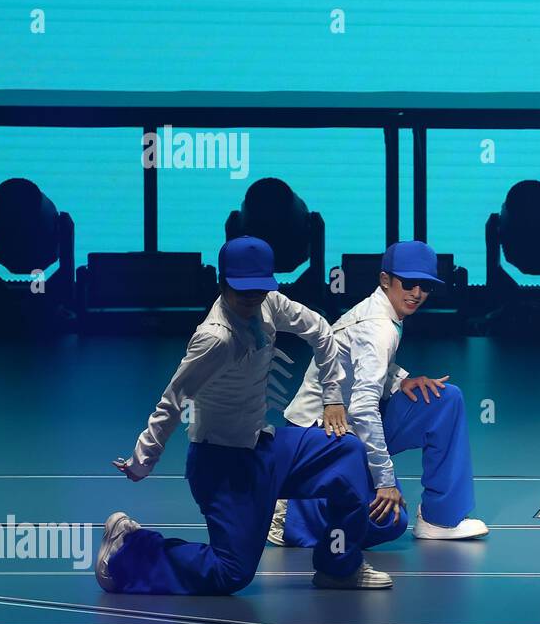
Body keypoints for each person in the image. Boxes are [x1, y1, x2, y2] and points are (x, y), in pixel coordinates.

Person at [97, 236, 392, 594]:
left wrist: (334, 397)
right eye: (243, 291)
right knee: (231, 574)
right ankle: (128, 550)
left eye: (260, 289)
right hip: (223, 464)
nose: (253, 299)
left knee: (346, 452)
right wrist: (143, 459)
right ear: (222, 284)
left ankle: (338, 566)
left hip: (265, 447)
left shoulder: (270, 304)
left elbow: (321, 330)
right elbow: (174, 400)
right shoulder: (215, 339)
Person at [274, 240, 486, 547]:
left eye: (425, 286)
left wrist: (401, 380)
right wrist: (384, 481)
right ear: (385, 280)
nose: (417, 294)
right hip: (319, 434)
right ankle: (289, 511)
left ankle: (441, 519)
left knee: (445, 399)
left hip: (346, 424)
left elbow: (361, 369)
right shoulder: (379, 327)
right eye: (409, 283)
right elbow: (362, 409)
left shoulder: (384, 313)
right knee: (388, 520)